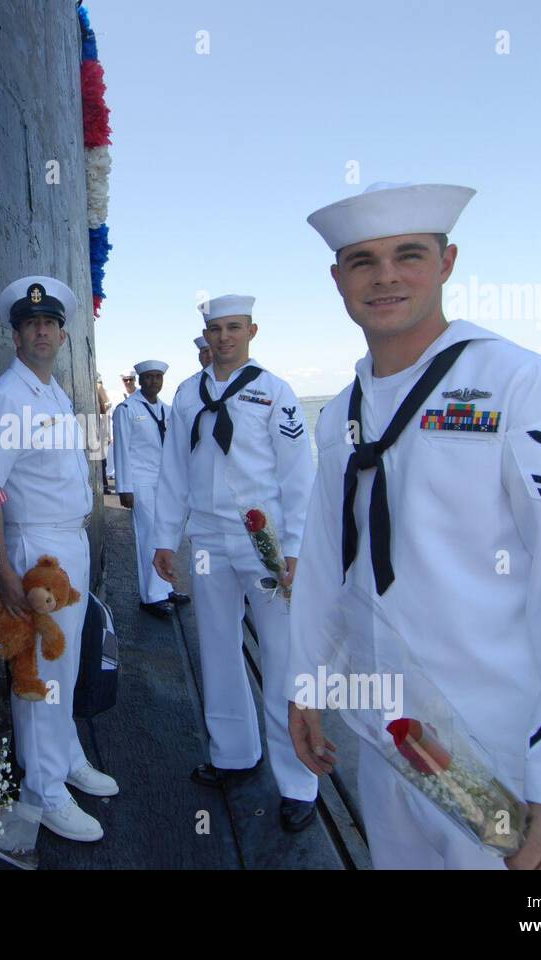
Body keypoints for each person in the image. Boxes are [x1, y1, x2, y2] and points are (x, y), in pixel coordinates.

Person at [286, 181, 541, 868]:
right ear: (338, 279)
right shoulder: (341, 413)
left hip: (498, 750)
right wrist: (306, 684)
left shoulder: (523, 387)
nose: (386, 275)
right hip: (386, 735)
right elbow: (327, 559)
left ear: (448, 263)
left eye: (409, 255)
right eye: (363, 261)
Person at [152, 295, 320, 832]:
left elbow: (298, 476)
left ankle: (298, 780)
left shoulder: (275, 394)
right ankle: (234, 754)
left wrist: (296, 546)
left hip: (262, 540)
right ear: (205, 335)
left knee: (282, 655)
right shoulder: (186, 395)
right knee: (218, 648)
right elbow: (173, 473)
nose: (223, 337)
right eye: (214, 329)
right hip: (206, 537)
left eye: (233, 328)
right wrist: (162, 537)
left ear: (251, 330)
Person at [0, 275, 119, 842]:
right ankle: (42, 790)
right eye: (30, 324)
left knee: (65, 662)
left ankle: (65, 755)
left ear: (61, 334)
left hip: (69, 545)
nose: (41, 331)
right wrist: (3, 573)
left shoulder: (53, 392)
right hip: (35, 547)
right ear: (16, 335)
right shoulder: (8, 397)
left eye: (49, 324)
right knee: (39, 671)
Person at [112, 360, 189, 617]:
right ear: (140, 380)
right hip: (140, 482)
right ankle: (151, 596)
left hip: (163, 482)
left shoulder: (167, 410)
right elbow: (121, 449)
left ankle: (165, 588)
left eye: (158, 377)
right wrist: (124, 487)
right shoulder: (127, 409)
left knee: (166, 535)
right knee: (148, 538)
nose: (154, 382)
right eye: (149, 377)